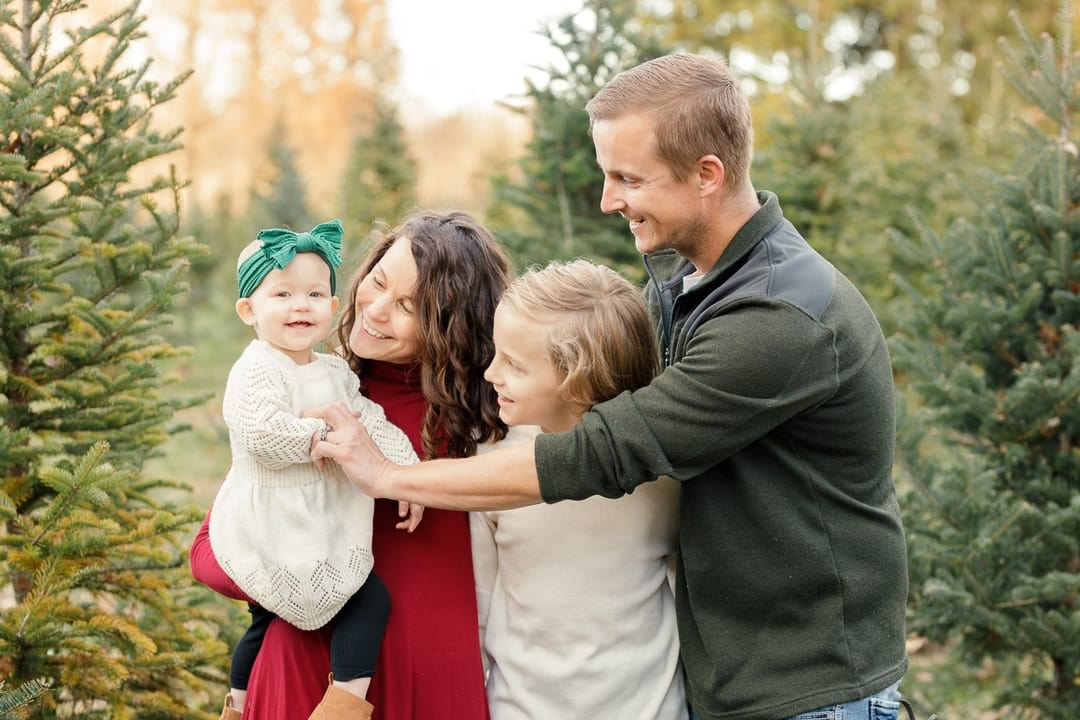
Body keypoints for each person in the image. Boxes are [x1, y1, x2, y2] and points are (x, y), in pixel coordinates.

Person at [314, 53, 910, 720]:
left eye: (629, 178)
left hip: (810, 692)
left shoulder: (779, 317)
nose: (607, 200)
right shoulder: (685, 285)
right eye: (606, 174)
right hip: (729, 684)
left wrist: (391, 477)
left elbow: (603, 451)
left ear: (707, 175)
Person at [190, 210, 508, 720]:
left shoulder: (481, 424)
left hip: (426, 673)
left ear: (451, 325)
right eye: (378, 282)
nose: (376, 310)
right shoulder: (317, 389)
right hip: (304, 669)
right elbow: (208, 551)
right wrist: (295, 582)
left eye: (408, 305)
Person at [202, 219, 422, 720]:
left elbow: (370, 421)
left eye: (314, 293)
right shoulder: (256, 368)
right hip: (272, 518)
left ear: (332, 306)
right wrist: (320, 439)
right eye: (282, 294)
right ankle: (239, 705)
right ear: (248, 310)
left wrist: (404, 470)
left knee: (366, 599)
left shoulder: (335, 372)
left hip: (322, 517)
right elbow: (259, 431)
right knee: (266, 615)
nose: (300, 305)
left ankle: (342, 703)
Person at [471, 258, 687, 719]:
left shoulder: (661, 472)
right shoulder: (491, 465)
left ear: (576, 377)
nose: (491, 374)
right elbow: (481, 610)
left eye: (513, 364)